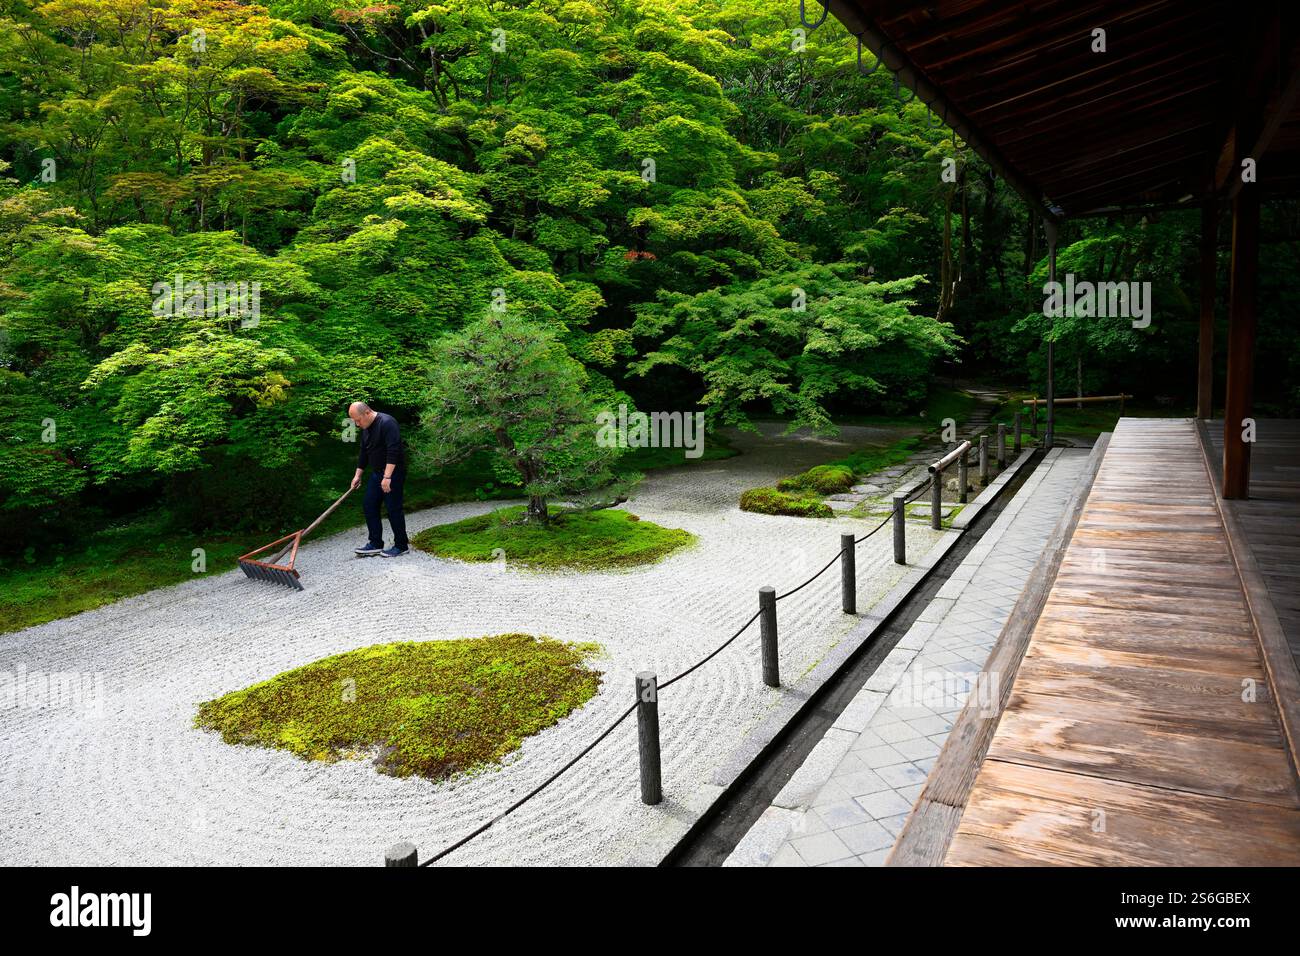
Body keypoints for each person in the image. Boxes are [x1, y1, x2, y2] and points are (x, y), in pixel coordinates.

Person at [347, 402, 409, 557]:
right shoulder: (366, 428)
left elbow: (393, 450)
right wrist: (357, 475)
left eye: (358, 420)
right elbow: (364, 452)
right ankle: (375, 543)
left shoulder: (387, 423)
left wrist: (387, 477)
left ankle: (401, 545)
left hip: (393, 473)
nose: (356, 424)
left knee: (393, 508)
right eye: (354, 421)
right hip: (377, 473)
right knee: (369, 504)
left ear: (367, 412)